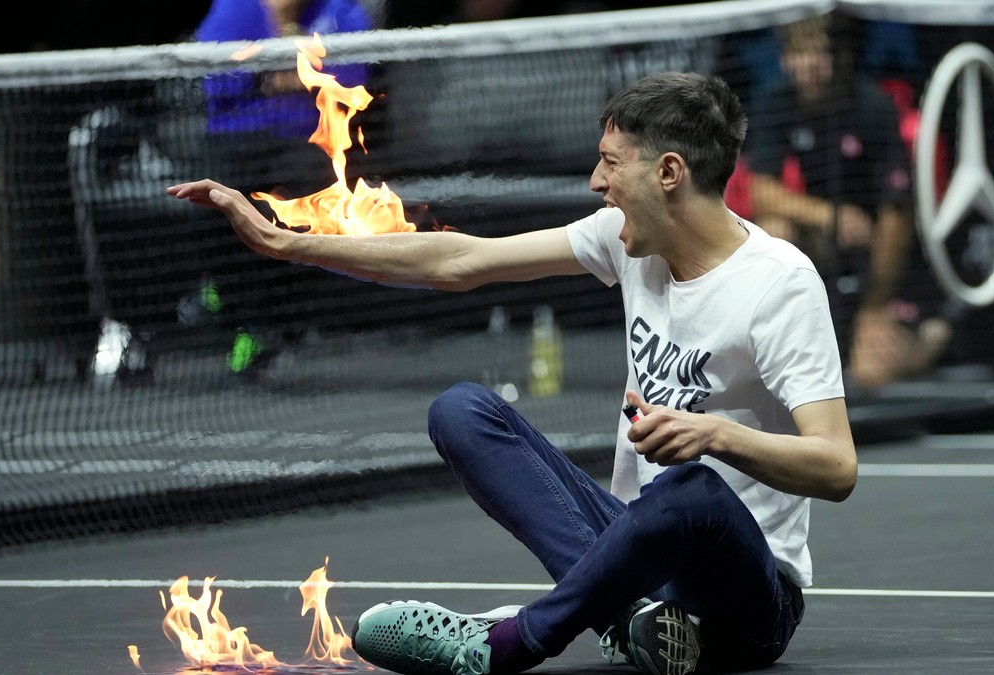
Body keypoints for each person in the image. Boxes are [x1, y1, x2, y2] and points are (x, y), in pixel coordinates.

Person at [166, 70, 857, 675]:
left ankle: (508, 642)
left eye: (610, 164)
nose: (596, 182)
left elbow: (835, 466)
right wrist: (282, 242)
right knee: (462, 410)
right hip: (639, 554)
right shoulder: (626, 243)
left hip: (748, 596)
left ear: (668, 173)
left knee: (690, 491)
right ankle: (633, 619)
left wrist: (714, 434)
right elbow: (458, 261)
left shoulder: (779, 286)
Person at [742, 15, 950, 390]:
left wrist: (876, 304)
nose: (811, 65)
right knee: (774, 229)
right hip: (827, 237)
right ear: (786, 58)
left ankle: (929, 335)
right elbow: (760, 191)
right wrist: (831, 216)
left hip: (879, 249)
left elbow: (897, 212)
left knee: (871, 374)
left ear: (841, 57)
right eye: (800, 53)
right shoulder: (776, 103)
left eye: (821, 53)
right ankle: (781, 340)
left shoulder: (872, 106)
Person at [183, 0, 374, 374]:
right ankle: (235, 306)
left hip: (310, 150)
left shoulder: (341, 9)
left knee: (312, 217)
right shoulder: (236, 8)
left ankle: (255, 322)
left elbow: (359, 73)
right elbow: (209, 74)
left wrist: (292, 70)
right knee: (212, 200)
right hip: (235, 147)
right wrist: (266, 72)